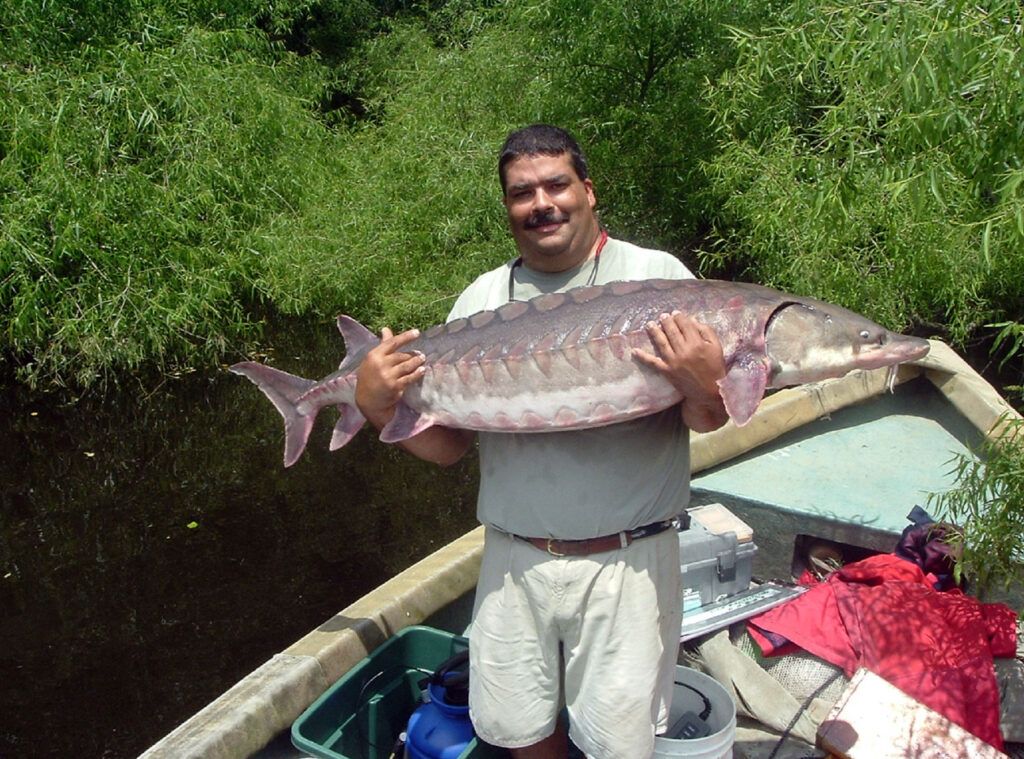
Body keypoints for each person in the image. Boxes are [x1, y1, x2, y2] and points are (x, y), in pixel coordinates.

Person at [355, 125, 728, 759]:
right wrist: (375, 409)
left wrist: (705, 383)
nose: (541, 204)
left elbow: (708, 418)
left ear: (588, 190)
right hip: (514, 559)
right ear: (508, 209)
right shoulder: (484, 296)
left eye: (556, 185)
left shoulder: (657, 277)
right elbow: (448, 448)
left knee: (620, 744)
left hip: (629, 563)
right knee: (521, 729)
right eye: (521, 193)